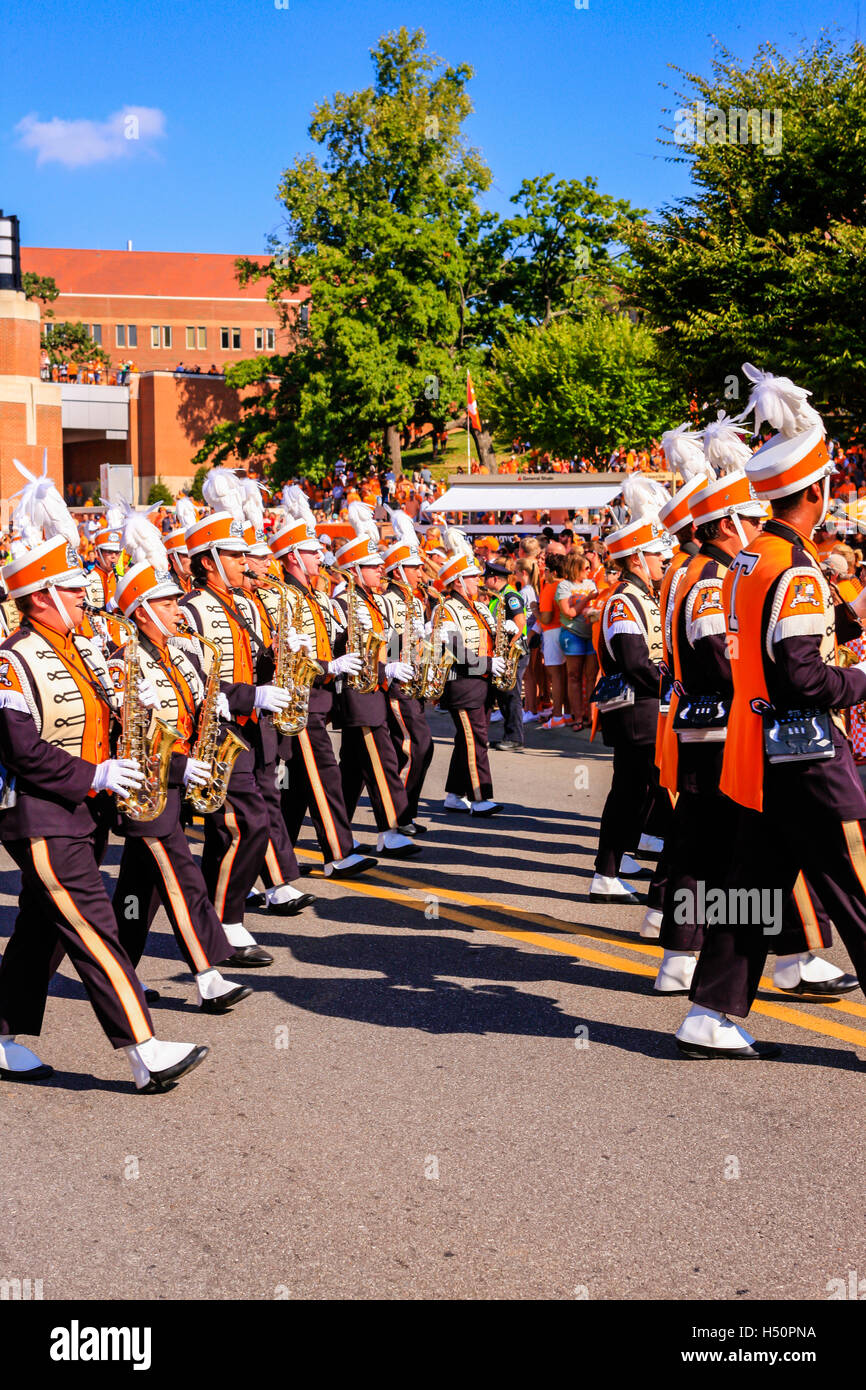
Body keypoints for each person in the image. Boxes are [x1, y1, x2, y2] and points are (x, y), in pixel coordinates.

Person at [676, 365, 866, 1058]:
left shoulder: (753, 558)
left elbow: (778, 640)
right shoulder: (795, 567)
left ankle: (709, 1014)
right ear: (814, 491)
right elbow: (805, 673)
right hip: (809, 750)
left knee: (749, 885)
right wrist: (861, 680)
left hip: (760, 749)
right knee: (858, 876)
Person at [0, 534, 207, 1092]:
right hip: (41, 819)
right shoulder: (11, 659)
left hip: (81, 814)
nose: (84, 594)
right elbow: (19, 748)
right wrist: (93, 774)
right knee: (96, 927)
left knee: (41, 927)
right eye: (70, 587)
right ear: (40, 597)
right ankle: (145, 1051)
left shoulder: (81, 651)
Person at [108, 525, 253, 1013]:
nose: (178, 610)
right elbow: (127, 737)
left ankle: (118, 976)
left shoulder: (178, 652)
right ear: (143, 611)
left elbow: (201, 705)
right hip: (147, 788)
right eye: (167, 604)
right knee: (182, 879)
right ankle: (209, 974)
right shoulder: (124, 662)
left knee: (138, 892)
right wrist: (180, 764)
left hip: (174, 782)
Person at [182, 497, 278, 966]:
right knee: (244, 826)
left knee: (234, 830)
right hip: (217, 731)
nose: (247, 562)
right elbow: (193, 676)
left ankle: (218, 919)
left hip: (250, 729)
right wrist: (249, 696)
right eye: (236, 555)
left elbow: (252, 662)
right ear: (209, 562)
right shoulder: (190, 608)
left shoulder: (242, 604)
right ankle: (224, 923)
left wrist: (280, 654)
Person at [270, 505, 375, 879]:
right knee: (325, 773)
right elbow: (287, 654)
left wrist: (351, 635)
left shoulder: (315, 595)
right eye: (313, 551)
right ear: (294, 556)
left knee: (297, 787)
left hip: (318, 698)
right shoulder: (283, 596)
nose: (321, 557)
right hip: (300, 700)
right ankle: (338, 852)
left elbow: (330, 644)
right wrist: (330, 667)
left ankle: (269, 866)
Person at [589, 506, 668, 912]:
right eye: (656, 554)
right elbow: (635, 661)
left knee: (637, 792)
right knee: (632, 791)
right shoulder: (624, 601)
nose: (663, 560)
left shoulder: (640, 595)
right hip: (636, 711)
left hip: (645, 709)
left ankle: (612, 866)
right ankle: (606, 873)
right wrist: (675, 684)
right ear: (636, 558)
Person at [331, 518, 420, 858]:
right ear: (354, 570)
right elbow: (346, 653)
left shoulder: (375, 601)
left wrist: (404, 660)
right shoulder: (342, 605)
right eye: (371, 566)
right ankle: (390, 829)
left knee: (352, 771)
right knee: (383, 760)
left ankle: (339, 831)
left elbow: (388, 642)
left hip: (377, 691)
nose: (381, 569)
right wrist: (386, 668)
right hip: (358, 695)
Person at [437, 537, 504, 816]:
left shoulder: (478, 607)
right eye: (472, 576)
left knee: (467, 739)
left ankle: (454, 794)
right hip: (463, 684)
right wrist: (489, 664)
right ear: (457, 581)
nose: (479, 580)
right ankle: (479, 798)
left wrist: (508, 635)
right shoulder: (445, 609)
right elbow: (456, 651)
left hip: (482, 683)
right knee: (476, 740)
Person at [379, 524, 435, 829]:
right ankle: (398, 816)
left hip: (415, 682)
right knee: (416, 745)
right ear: (398, 570)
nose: (420, 572)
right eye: (414, 567)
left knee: (419, 747)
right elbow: (387, 644)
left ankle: (406, 812)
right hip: (397, 682)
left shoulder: (415, 600)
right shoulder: (387, 601)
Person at [483, 560, 527, 751]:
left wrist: (508, 647)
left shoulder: (510, 596)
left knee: (511, 694)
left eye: (486, 577)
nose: (484, 581)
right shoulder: (498, 596)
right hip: (503, 651)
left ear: (494, 578)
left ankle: (515, 737)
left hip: (513, 650)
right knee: (502, 694)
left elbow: (520, 622)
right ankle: (508, 735)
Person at [555, 552, 596, 731]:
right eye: (585, 568)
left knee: (591, 677)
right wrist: (587, 599)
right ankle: (578, 716)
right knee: (574, 677)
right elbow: (569, 612)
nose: (589, 570)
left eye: (589, 567)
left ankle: (591, 716)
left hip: (590, 634)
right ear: (575, 569)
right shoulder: (564, 586)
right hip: (573, 634)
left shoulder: (590, 583)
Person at [533, 553, 568, 728]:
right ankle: (566, 714)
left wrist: (534, 610)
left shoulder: (551, 587)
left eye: (546, 569)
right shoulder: (567, 584)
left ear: (553, 572)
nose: (544, 573)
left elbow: (545, 619)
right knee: (565, 675)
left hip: (553, 633)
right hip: (567, 632)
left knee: (556, 676)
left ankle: (557, 716)